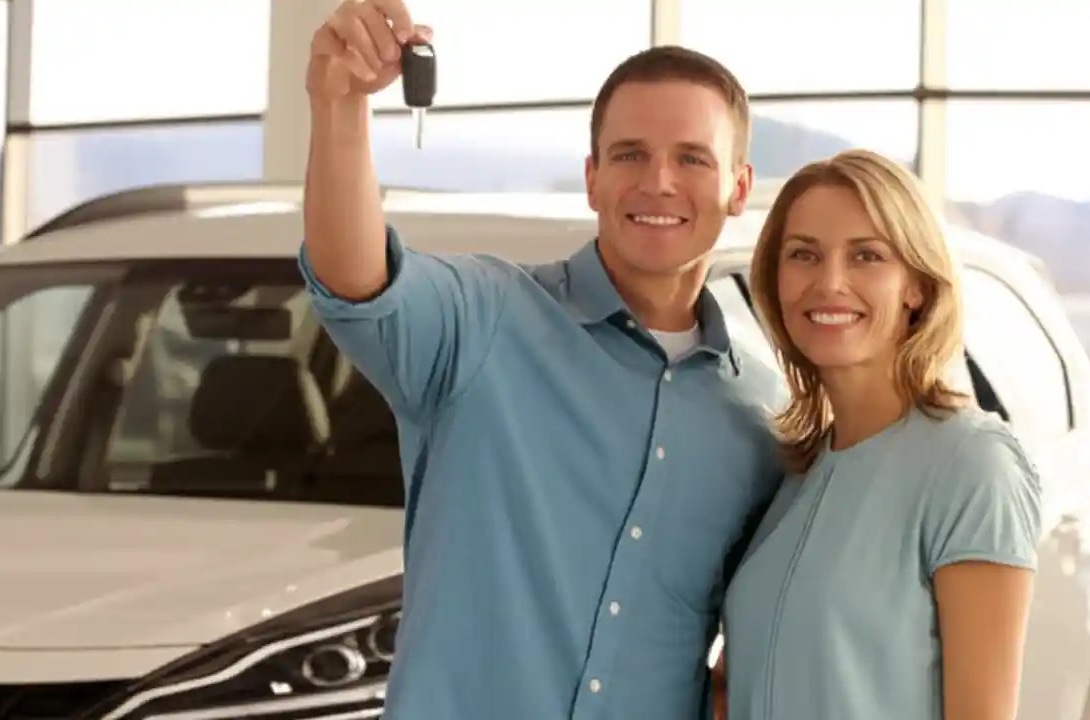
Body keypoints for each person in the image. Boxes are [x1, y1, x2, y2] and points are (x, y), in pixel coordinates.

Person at [298, 1, 786, 717]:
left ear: (738, 188)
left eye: (692, 157)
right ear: (592, 178)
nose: (658, 181)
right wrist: (340, 108)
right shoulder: (484, 318)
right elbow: (356, 281)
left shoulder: (761, 417)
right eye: (630, 154)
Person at [719, 149, 1042, 720]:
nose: (829, 282)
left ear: (915, 285)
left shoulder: (970, 465)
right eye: (804, 255)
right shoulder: (795, 472)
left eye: (866, 255)